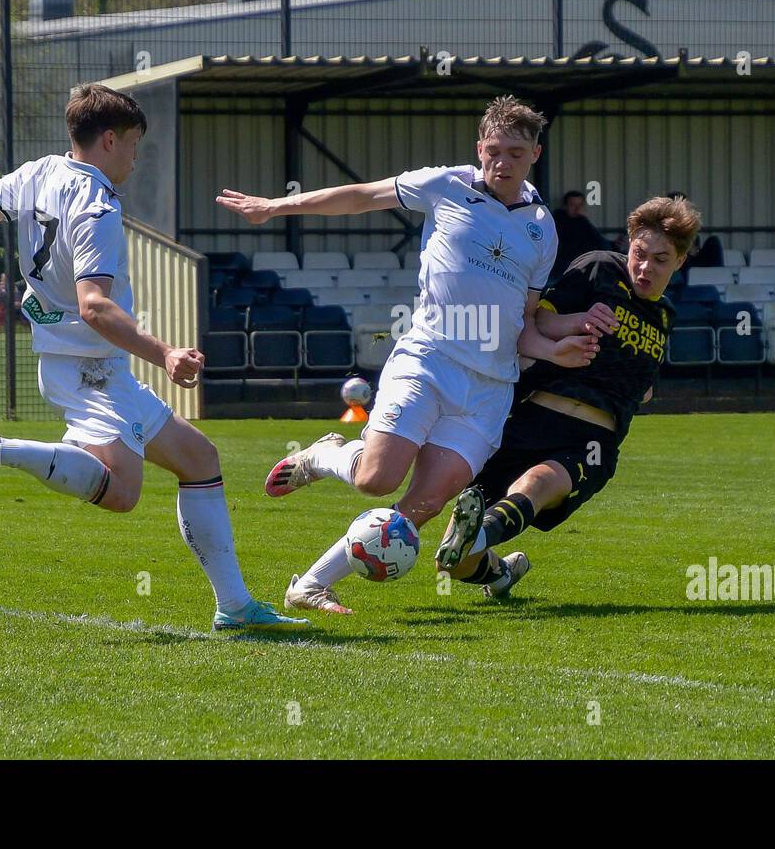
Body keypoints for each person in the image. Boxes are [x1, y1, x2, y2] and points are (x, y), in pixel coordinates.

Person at [0, 83, 307, 633]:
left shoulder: (36, 173)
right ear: (109, 139)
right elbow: (95, 308)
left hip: (72, 366)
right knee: (124, 492)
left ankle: (235, 607)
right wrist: (166, 352)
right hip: (92, 371)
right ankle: (0, 447)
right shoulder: (99, 206)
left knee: (199, 460)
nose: (136, 156)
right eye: (134, 144)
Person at [216, 95, 608, 614]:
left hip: (488, 392)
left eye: (515, 151)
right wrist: (277, 206)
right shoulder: (446, 185)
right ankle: (325, 454)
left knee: (419, 508)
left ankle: (307, 585)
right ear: (479, 148)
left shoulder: (543, 227)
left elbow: (524, 327)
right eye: (493, 150)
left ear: (535, 152)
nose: (502, 162)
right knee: (374, 479)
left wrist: (560, 349)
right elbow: (360, 196)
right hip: (429, 360)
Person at [433, 195, 699, 598]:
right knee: (450, 564)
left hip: (592, 440)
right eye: (640, 252)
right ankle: (500, 573)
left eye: (660, 260)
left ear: (680, 261)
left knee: (538, 482)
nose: (645, 266)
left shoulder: (665, 317)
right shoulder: (599, 269)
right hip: (530, 419)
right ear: (628, 242)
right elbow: (538, 318)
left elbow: (643, 384)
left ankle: (482, 530)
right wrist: (579, 322)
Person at [551, 189, 612, 281]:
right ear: (565, 206)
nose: (577, 209)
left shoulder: (582, 223)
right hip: (561, 271)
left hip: (580, 269)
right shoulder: (557, 223)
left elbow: (601, 243)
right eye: (572, 205)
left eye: (580, 205)